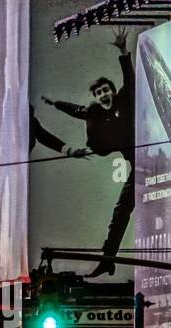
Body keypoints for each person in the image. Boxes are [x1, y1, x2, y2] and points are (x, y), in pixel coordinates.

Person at [39, 27, 135, 277]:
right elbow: (75, 110)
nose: (104, 95)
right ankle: (107, 259)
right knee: (120, 211)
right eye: (99, 92)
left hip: (139, 155)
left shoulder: (124, 99)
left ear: (113, 92)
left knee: (122, 209)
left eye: (106, 90)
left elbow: (129, 79)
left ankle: (107, 258)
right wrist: (55, 103)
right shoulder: (93, 111)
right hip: (107, 148)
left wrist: (124, 51)